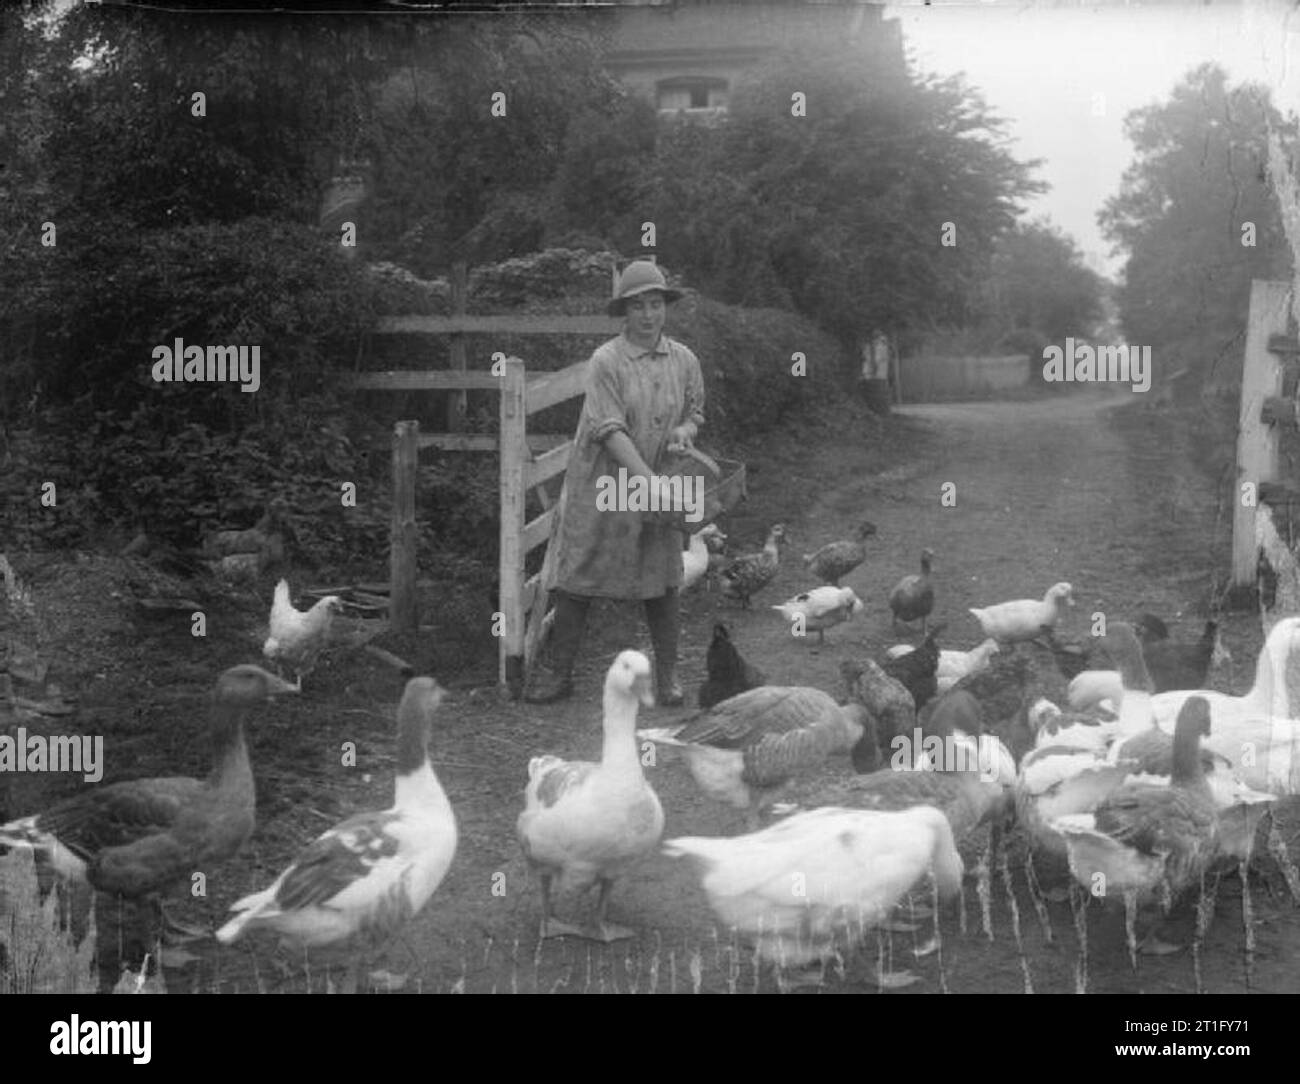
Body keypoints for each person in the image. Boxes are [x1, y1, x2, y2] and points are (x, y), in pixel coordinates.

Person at [525, 260, 705, 706]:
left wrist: (686, 432)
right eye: (638, 306)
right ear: (624, 312)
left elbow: (694, 412)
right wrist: (650, 485)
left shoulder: (684, 360)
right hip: (604, 481)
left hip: (657, 478)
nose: (648, 315)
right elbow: (609, 430)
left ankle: (667, 676)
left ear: (666, 306)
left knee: (663, 575)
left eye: (656, 304)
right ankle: (559, 674)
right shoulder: (607, 360)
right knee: (579, 571)